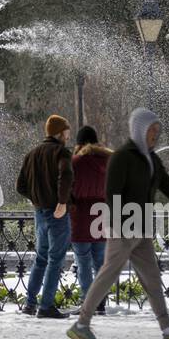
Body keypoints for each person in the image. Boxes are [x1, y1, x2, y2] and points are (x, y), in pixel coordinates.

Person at [67, 109, 169, 339]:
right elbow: (111, 193)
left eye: (157, 131)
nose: (155, 135)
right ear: (139, 130)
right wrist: (119, 225)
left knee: (152, 279)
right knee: (108, 274)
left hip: (142, 228)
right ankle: (81, 325)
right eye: (151, 131)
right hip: (124, 227)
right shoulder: (122, 157)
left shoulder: (152, 160)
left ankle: (168, 330)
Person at [16, 115, 74, 318]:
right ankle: (46, 306)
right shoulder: (61, 152)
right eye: (67, 130)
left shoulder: (32, 153)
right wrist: (62, 202)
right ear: (60, 132)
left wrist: (35, 199)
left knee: (41, 258)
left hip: (39, 213)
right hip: (57, 213)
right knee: (55, 259)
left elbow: (20, 185)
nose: (69, 134)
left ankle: (30, 303)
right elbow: (66, 176)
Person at [69, 126, 110, 315]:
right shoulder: (110, 161)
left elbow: (68, 189)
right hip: (101, 215)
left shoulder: (76, 162)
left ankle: (88, 301)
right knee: (100, 262)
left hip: (80, 217)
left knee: (83, 262)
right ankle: (101, 301)